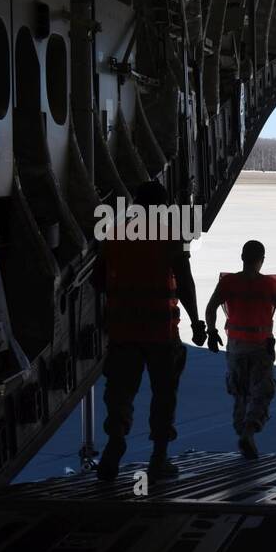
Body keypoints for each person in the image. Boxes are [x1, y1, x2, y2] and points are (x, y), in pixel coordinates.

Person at [95, 181, 204, 482]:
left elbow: (98, 280)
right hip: (160, 330)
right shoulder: (171, 235)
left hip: (123, 329)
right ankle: (158, 458)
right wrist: (197, 322)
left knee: (119, 392)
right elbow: (185, 282)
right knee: (164, 393)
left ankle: (114, 445)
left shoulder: (115, 233)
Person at [204, 240, 276, 460]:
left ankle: (242, 429)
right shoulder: (269, 285)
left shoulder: (229, 282)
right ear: (261, 260)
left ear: (242, 258)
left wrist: (212, 332)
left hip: (235, 347)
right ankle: (249, 431)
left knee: (240, 391)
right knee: (262, 392)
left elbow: (211, 307)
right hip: (260, 347)